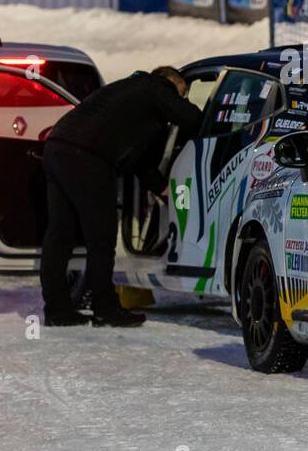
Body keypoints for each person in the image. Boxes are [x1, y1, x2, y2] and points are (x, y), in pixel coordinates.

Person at [38, 65, 202, 327]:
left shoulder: (129, 92)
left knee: (60, 235)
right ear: (170, 83)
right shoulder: (155, 87)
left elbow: (138, 160)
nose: (179, 99)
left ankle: (56, 309)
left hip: (58, 147)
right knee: (101, 238)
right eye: (180, 92)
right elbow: (191, 118)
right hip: (87, 159)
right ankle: (105, 308)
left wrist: (160, 187)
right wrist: (190, 105)